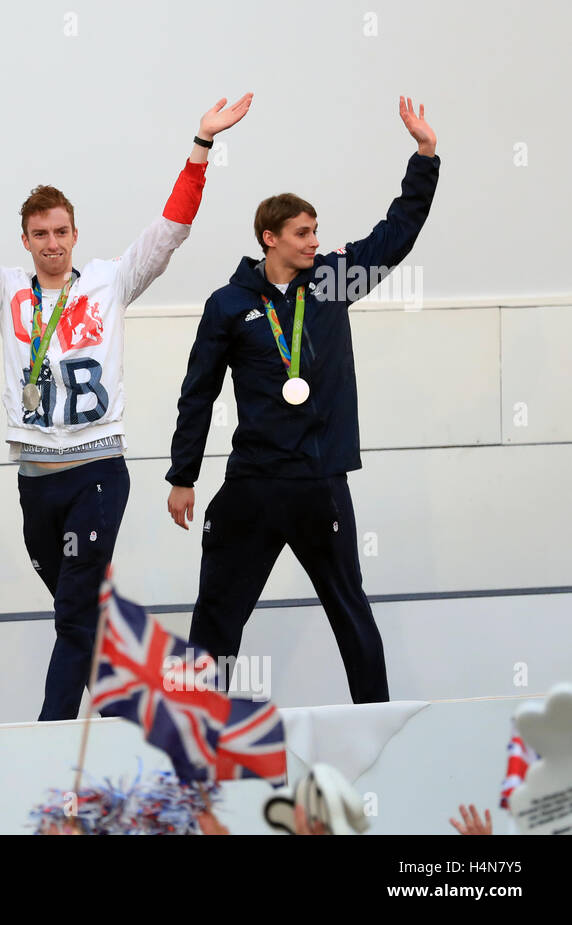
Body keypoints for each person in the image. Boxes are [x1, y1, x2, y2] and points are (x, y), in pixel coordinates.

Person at [0, 95, 253, 720]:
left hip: (98, 470)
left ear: (75, 233)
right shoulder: (7, 289)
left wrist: (201, 145)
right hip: (35, 477)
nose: (50, 244)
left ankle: (50, 736)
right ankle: (139, 725)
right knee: (83, 619)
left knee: (72, 611)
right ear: (25, 239)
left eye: (60, 232)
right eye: (39, 234)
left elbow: (169, 231)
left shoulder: (108, 281)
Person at [165, 97, 441, 704]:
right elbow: (198, 394)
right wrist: (183, 476)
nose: (316, 241)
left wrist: (424, 155)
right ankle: (195, 735)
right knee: (216, 618)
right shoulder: (229, 305)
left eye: (316, 231)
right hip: (255, 482)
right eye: (303, 233)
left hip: (320, 482)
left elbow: (395, 235)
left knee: (351, 613)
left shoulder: (333, 282)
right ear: (271, 238)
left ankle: (377, 720)